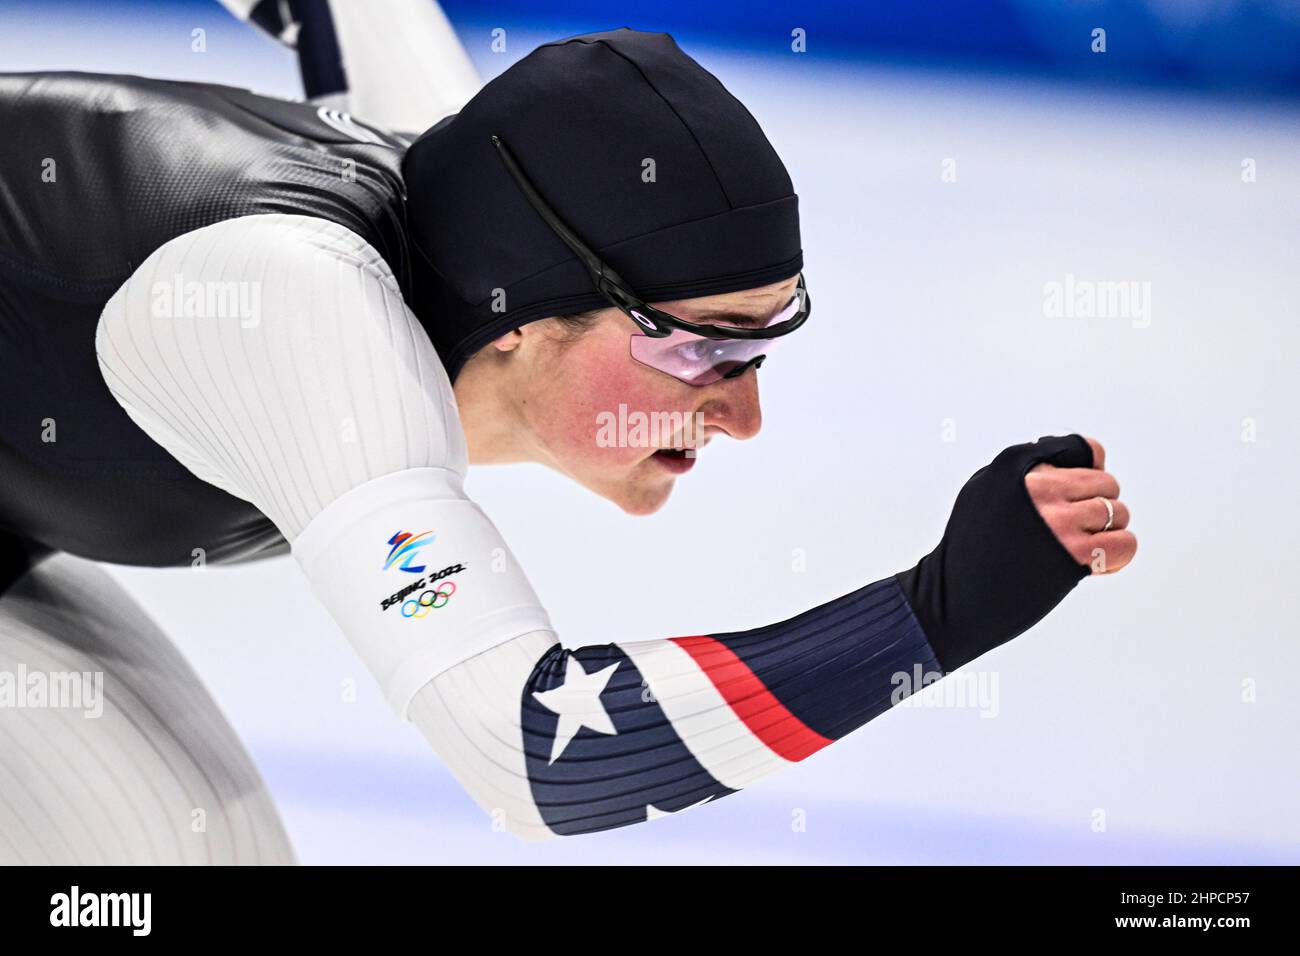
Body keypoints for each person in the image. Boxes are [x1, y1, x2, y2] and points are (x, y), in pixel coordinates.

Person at [0, 24, 1135, 858]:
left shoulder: (465, 176)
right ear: (527, 318)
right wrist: (931, 615)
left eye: (761, 353)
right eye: (703, 350)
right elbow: (539, 751)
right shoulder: (300, 315)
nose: (744, 416)